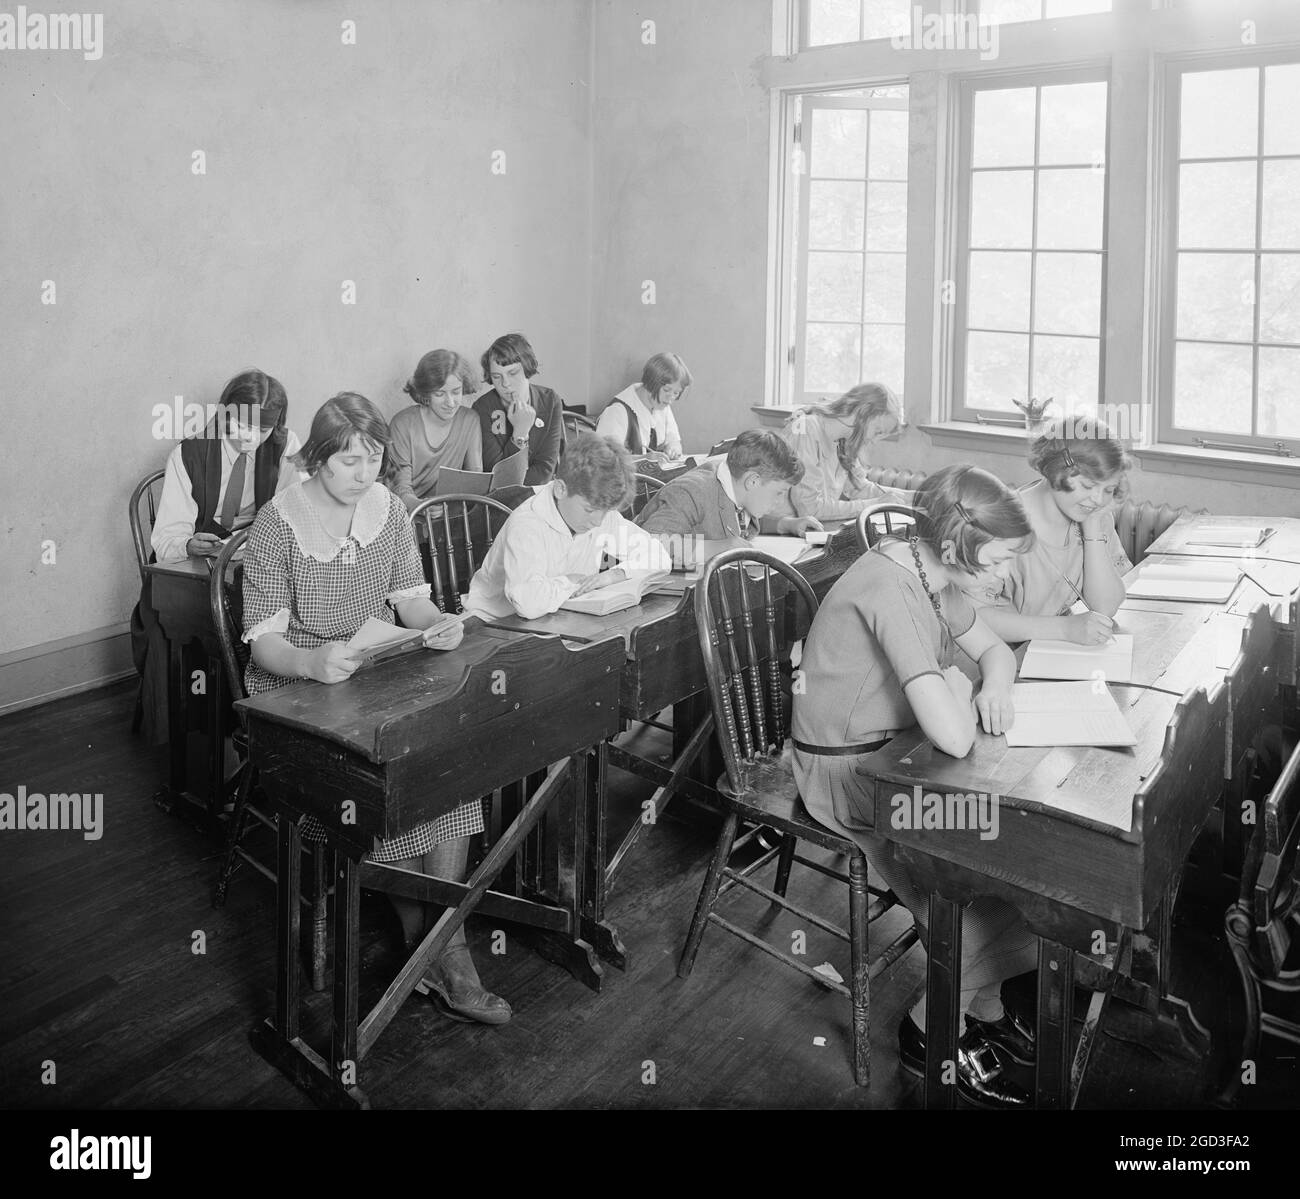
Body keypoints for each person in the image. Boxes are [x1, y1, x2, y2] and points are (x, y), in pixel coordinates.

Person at [240, 392, 511, 1026]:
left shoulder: (387, 511)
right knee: (386, 787)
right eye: (348, 464)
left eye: (373, 460)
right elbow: (266, 640)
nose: (364, 476)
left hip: (374, 670)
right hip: (296, 693)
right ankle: (444, 955)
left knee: (443, 771)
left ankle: (438, 950)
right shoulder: (277, 525)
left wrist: (436, 623)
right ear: (315, 462)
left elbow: (409, 601)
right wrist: (311, 663)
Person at [791, 464, 1039, 1108]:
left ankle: (980, 1009)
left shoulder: (938, 571)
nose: (1008, 573)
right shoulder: (893, 583)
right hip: (847, 771)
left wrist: (996, 685)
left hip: (896, 753)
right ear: (961, 544)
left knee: (1002, 854)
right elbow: (954, 737)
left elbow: (997, 652)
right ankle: (931, 1031)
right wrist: (960, 690)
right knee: (982, 863)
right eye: (1004, 557)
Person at [130, 369, 299, 745]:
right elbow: (169, 536)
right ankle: (218, 733)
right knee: (208, 623)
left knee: (297, 604)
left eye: (263, 430)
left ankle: (282, 721)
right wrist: (190, 544)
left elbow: (296, 512)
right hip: (197, 566)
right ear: (224, 413)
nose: (250, 438)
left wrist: (257, 540)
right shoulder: (189, 453)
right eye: (240, 424)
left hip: (257, 556)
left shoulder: (287, 448)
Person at [462, 432, 671, 620]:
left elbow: (659, 555)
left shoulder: (600, 513)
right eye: (589, 510)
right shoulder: (527, 523)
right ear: (561, 489)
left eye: (605, 512)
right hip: (489, 625)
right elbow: (527, 603)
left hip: (553, 621)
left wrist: (613, 575)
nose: (598, 522)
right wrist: (571, 582)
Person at [970, 416, 1132, 646]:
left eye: (1109, 489)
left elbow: (1105, 607)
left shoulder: (1093, 513)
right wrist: (1064, 629)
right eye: (1088, 486)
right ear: (1055, 471)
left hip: (1044, 651)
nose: (1098, 499)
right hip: (991, 657)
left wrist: (1092, 525)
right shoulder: (1000, 523)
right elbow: (975, 617)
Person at [637, 429, 821, 568]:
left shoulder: (737, 484)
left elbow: (741, 517)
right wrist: (721, 547)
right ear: (753, 481)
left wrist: (786, 524)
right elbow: (650, 544)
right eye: (779, 492)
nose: (780, 501)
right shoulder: (691, 492)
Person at [779, 382, 912, 520]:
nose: (874, 441)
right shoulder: (805, 429)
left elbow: (860, 488)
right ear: (862, 413)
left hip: (810, 532)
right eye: (878, 432)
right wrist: (876, 504)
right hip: (779, 535)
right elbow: (810, 509)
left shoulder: (845, 441)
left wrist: (915, 497)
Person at [387, 349, 483, 511]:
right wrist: (421, 507)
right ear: (425, 392)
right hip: (409, 514)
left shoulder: (470, 420)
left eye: (456, 392)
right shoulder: (402, 424)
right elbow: (399, 487)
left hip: (452, 516)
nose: (450, 402)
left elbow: (474, 480)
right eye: (440, 394)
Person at [473, 332, 565, 486]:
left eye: (512, 373)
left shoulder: (550, 401)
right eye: (497, 376)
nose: (506, 384)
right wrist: (520, 433)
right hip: (499, 503)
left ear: (527, 368)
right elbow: (498, 479)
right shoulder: (482, 408)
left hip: (539, 495)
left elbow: (545, 471)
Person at [597, 352, 690, 458]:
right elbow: (605, 460)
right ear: (651, 382)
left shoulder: (662, 404)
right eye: (666, 390)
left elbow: (673, 440)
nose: (671, 398)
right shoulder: (617, 412)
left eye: (676, 393)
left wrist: (673, 448)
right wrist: (644, 459)